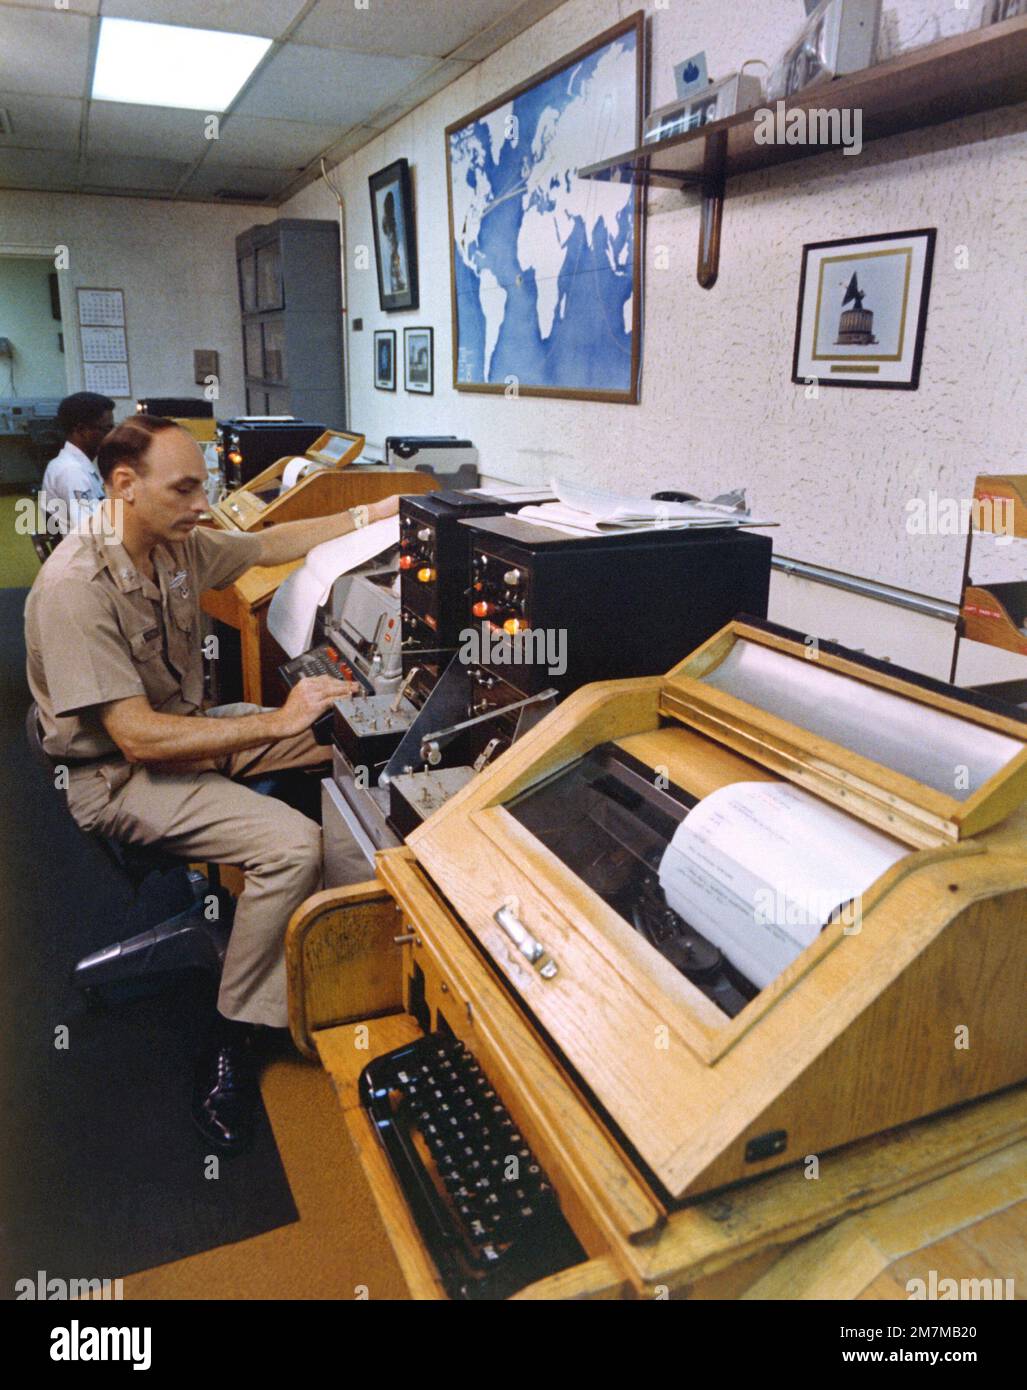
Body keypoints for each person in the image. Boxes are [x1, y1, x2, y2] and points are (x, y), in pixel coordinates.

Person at [25, 415, 399, 1153]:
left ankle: (353, 952)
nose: (203, 504)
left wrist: (372, 514)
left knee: (353, 736)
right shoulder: (74, 587)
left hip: (185, 733)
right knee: (292, 845)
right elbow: (137, 737)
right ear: (125, 485)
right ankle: (236, 1033)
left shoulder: (174, 545)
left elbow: (268, 544)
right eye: (185, 488)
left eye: (203, 485)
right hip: (120, 775)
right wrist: (276, 721)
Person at [40, 392, 115, 535]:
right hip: (88, 547)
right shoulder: (72, 472)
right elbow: (91, 533)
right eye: (107, 429)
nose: (112, 436)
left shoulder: (73, 465)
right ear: (81, 430)